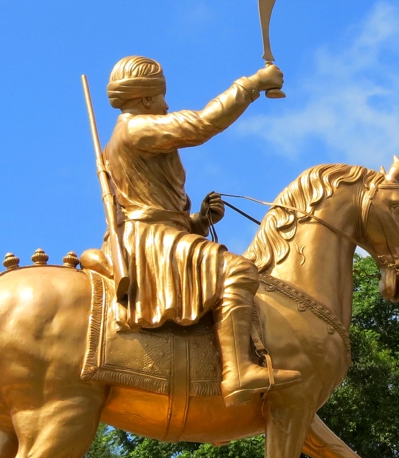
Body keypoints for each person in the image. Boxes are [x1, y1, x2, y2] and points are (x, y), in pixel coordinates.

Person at [99, 54, 302, 406]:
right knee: (237, 271)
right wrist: (253, 84)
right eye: (162, 96)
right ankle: (238, 371)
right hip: (149, 241)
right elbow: (203, 123)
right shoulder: (137, 128)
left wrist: (198, 222)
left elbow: (153, 207)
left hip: (161, 233)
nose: (167, 103)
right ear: (146, 98)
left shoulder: (132, 130)